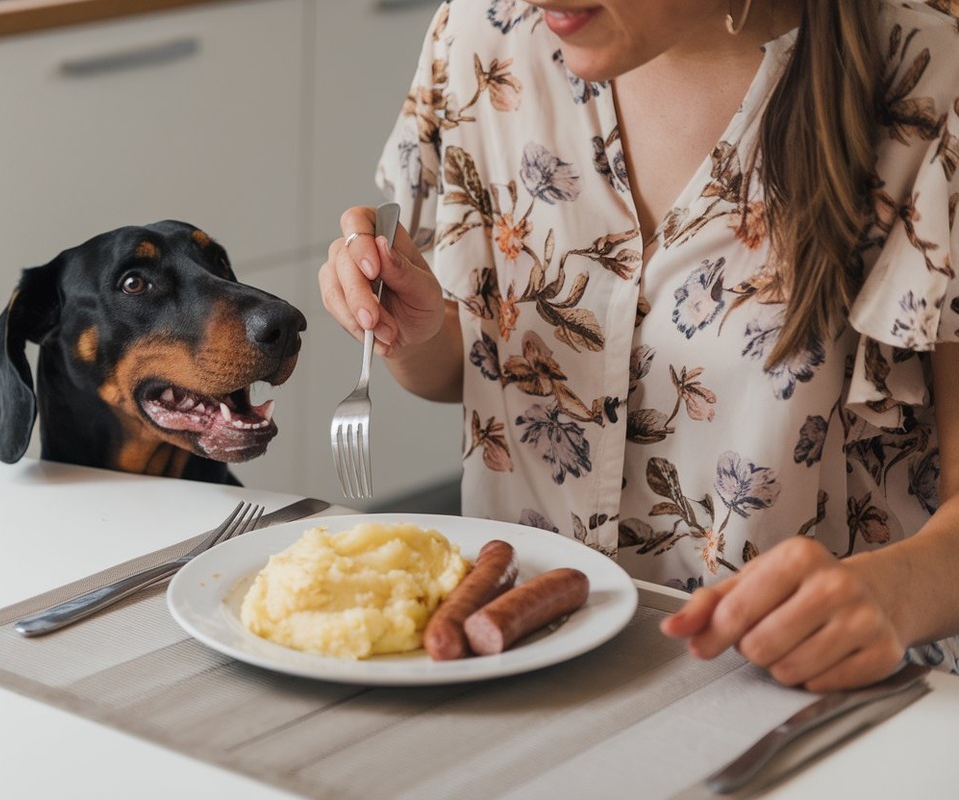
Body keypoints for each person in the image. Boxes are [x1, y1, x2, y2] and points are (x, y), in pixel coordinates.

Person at [319, 0, 959, 691]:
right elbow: (478, 372)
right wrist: (414, 335)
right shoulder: (482, 38)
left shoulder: (930, 87)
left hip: (810, 702)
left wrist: (889, 595)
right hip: (516, 673)